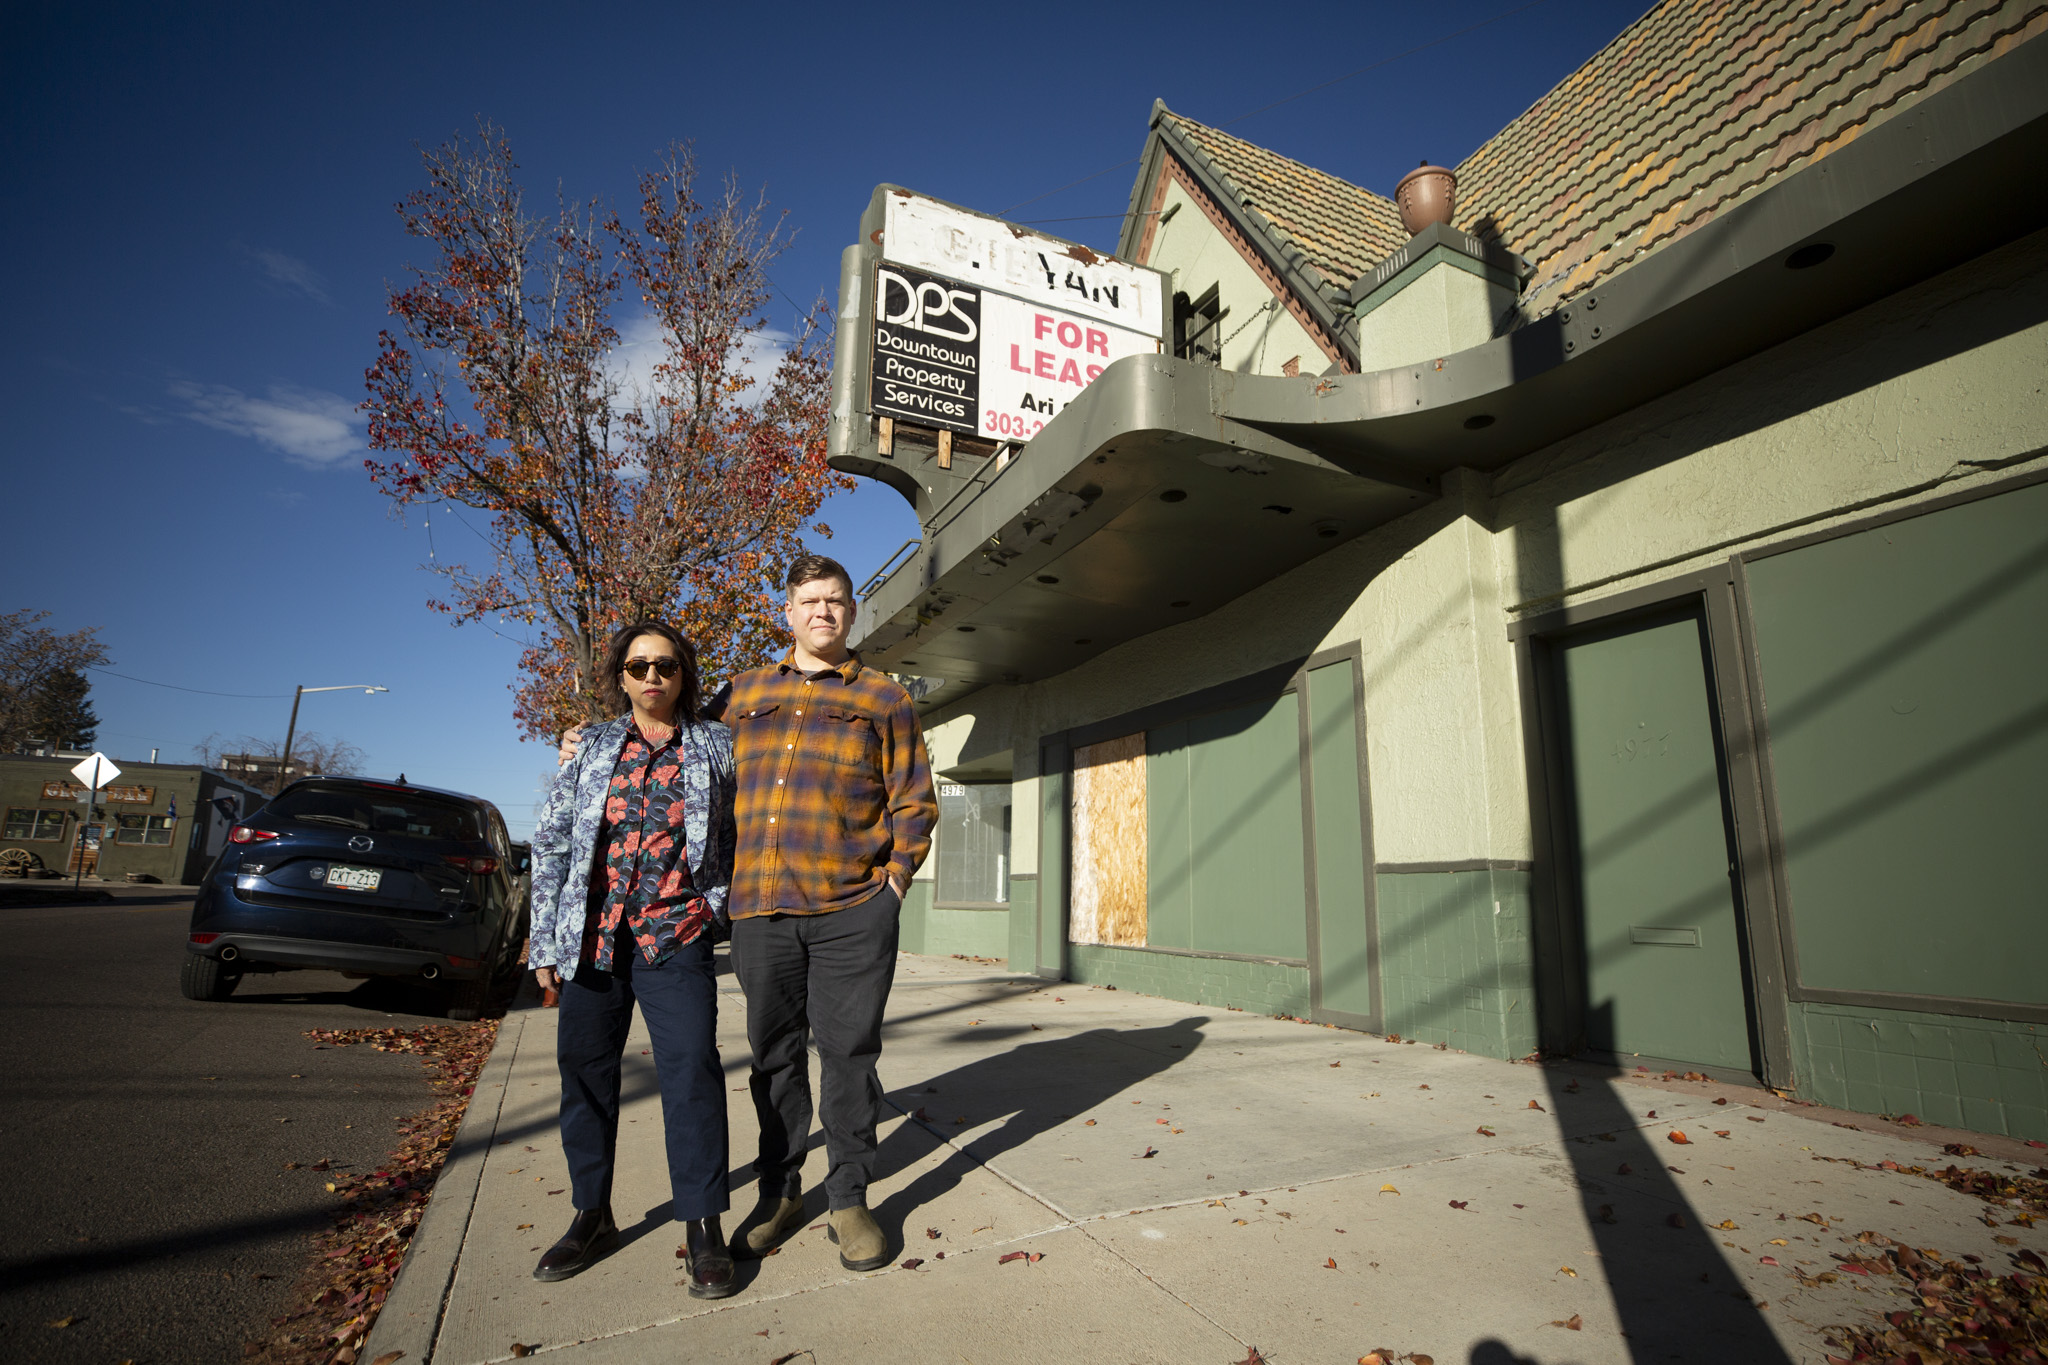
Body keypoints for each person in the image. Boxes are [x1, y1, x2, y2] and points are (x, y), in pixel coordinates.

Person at [560, 555, 937, 1273]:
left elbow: (914, 802)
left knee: (849, 1054)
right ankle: (781, 1191)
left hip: (852, 906)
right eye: (808, 600)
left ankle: (850, 1193)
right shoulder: (740, 693)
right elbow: (661, 742)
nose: (821, 611)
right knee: (774, 1059)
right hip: (760, 909)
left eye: (834, 600)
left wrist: (892, 885)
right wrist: (586, 741)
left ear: (851, 612)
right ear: (786, 612)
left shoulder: (885, 697)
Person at [527, 621, 739, 1297]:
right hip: (594, 938)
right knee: (584, 1073)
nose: (653, 676)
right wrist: (544, 938)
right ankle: (591, 1213)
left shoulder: (717, 745)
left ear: (684, 675)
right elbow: (553, 841)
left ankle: (703, 1225)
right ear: (620, 674)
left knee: (692, 1074)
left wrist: (716, 906)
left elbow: (744, 827)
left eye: (666, 666)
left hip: (677, 935)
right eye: (640, 665)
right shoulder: (588, 746)